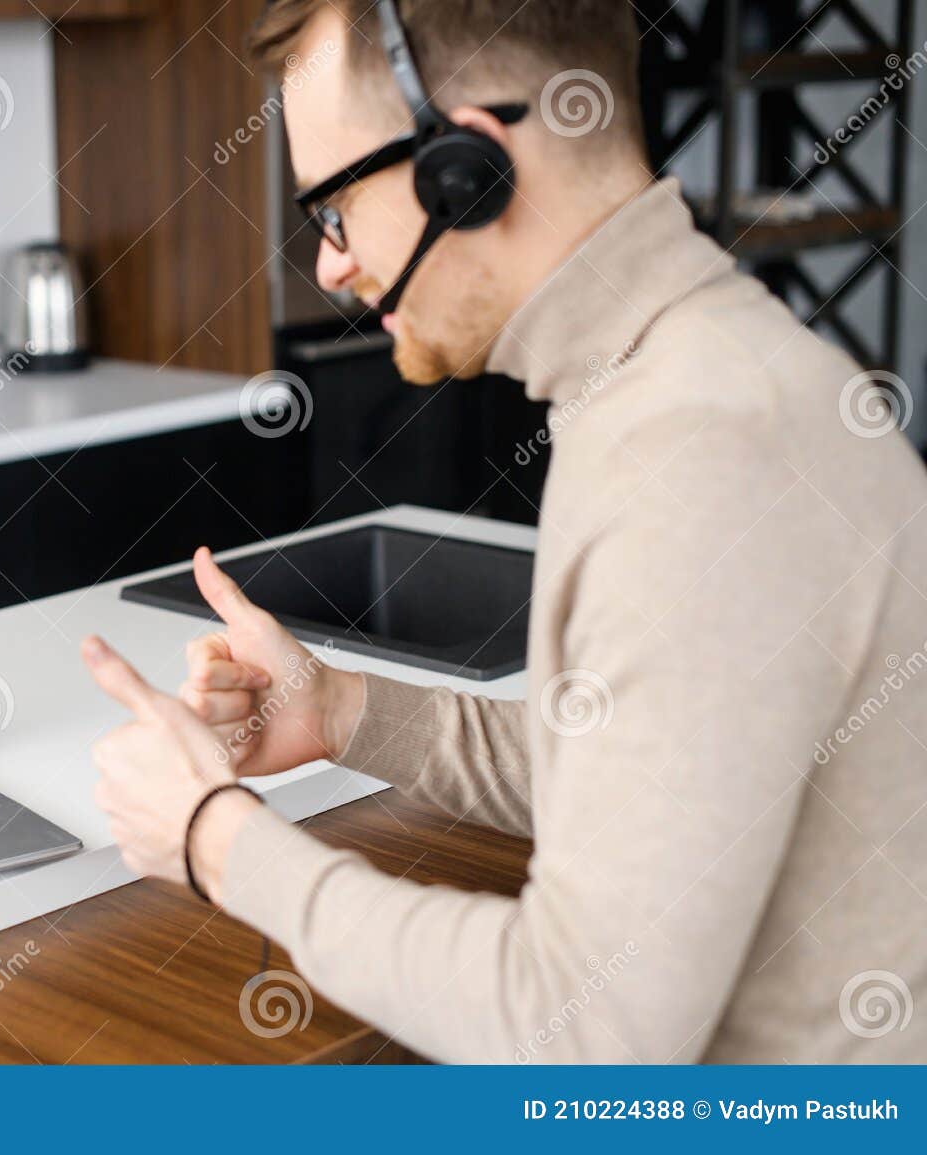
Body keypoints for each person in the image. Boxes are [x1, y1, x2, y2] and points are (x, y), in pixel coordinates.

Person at [80, 0, 927, 1064]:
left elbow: (580, 1027)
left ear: (462, 172)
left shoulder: (699, 449)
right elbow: (654, 781)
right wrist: (342, 710)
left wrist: (217, 840)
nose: (332, 265)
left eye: (335, 209)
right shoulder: (688, 376)